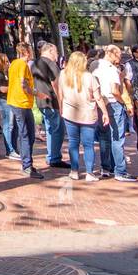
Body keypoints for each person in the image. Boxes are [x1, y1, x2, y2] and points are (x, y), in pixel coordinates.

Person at [56, 50, 110, 181]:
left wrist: (61, 109)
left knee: (73, 143)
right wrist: (105, 112)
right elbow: (98, 97)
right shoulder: (89, 77)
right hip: (87, 114)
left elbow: (60, 95)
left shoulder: (63, 74)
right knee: (88, 144)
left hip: (69, 113)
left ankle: (74, 171)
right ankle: (89, 173)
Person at [94, 44, 136, 182]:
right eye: (118, 55)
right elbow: (115, 90)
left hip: (100, 104)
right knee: (117, 138)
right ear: (111, 53)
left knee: (104, 137)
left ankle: (106, 168)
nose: (119, 59)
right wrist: (123, 102)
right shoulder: (112, 71)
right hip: (113, 103)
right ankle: (120, 170)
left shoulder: (95, 65)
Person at [6, 42, 41, 178]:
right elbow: (23, 83)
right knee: (26, 134)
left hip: (19, 102)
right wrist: (36, 93)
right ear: (27, 52)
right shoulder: (21, 64)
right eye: (30, 51)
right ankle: (27, 165)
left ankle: (27, 163)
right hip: (21, 102)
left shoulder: (14, 63)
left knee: (28, 134)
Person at [32, 42, 68, 168]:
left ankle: (51, 155)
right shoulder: (51, 64)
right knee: (57, 129)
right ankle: (54, 157)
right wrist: (61, 102)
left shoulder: (35, 63)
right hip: (52, 101)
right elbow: (56, 84)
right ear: (51, 51)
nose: (57, 55)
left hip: (41, 101)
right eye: (56, 52)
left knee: (50, 129)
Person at [0, 49, 19, 159]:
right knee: (8, 125)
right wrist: (15, 86)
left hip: (10, 100)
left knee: (13, 126)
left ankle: (14, 148)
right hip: (4, 101)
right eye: (6, 61)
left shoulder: (6, 73)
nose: (8, 63)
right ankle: (10, 150)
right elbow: (2, 89)